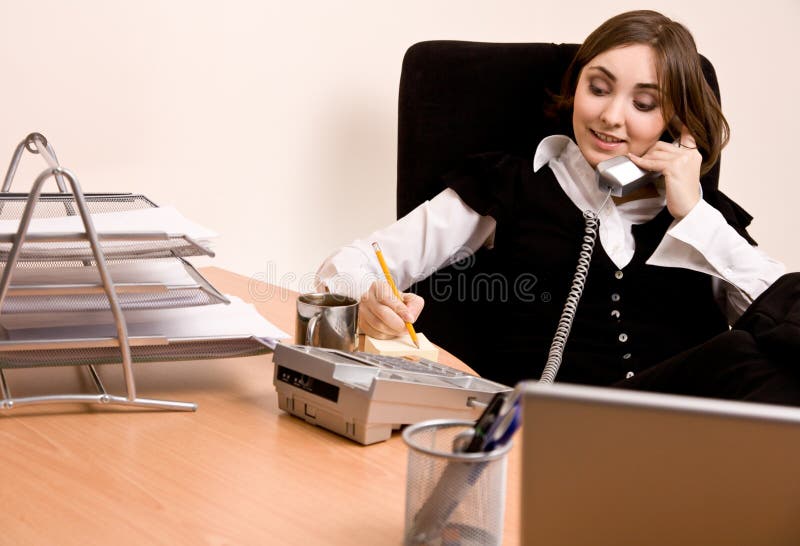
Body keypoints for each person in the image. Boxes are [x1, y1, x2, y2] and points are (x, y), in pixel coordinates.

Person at [315, 10, 800, 403]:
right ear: (576, 86)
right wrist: (370, 300)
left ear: (674, 121)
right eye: (599, 88)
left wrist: (692, 214)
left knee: (755, 353)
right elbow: (344, 266)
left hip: (667, 442)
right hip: (544, 430)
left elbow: (784, 324)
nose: (611, 116)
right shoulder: (510, 182)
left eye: (644, 104)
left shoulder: (701, 216)